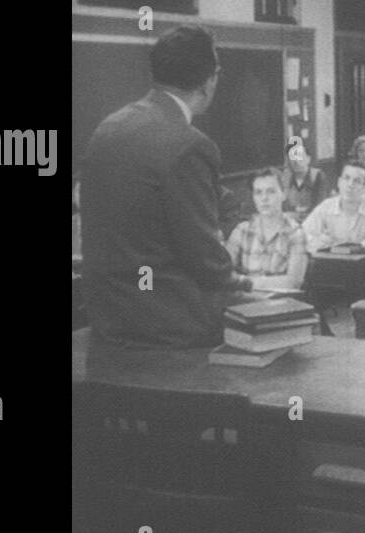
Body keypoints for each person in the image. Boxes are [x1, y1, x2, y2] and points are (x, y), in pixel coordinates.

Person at [80, 25, 252, 349]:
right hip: (171, 324)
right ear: (210, 79)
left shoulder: (107, 128)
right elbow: (206, 261)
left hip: (107, 318)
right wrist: (241, 280)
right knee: (290, 326)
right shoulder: (190, 145)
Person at [225, 167, 308, 291]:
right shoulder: (241, 231)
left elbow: (293, 282)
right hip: (244, 303)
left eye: (271, 191)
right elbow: (223, 273)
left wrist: (244, 282)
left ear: (284, 194)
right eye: (258, 192)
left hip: (281, 304)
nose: (264, 198)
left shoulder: (295, 233)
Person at [302, 160, 365, 254]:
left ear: (364, 187)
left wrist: (351, 246)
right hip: (335, 262)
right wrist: (322, 242)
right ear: (339, 182)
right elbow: (303, 234)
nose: (350, 185)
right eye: (346, 178)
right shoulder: (327, 206)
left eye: (357, 181)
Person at [279, 141, 327, 222]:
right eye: (292, 157)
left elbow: (321, 204)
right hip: (291, 220)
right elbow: (281, 202)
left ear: (308, 158)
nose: (296, 161)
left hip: (313, 220)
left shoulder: (318, 175)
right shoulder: (285, 176)